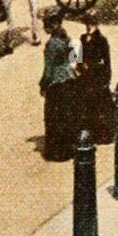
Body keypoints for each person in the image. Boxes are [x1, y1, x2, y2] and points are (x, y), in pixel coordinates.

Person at [40, 12, 79, 162]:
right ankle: (69, 147)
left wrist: (43, 84)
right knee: (67, 114)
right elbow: (74, 58)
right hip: (69, 80)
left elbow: (48, 69)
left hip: (56, 83)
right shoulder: (67, 39)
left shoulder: (52, 44)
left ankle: (57, 151)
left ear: (52, 26)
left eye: (46, 25)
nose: (44, 28)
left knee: (54, 117)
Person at [79, 13, 114, 144]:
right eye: (87, 24)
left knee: (100, 106)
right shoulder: (82, 38)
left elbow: (106, 61)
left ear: (96, 25)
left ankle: (102, 134)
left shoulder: (102, 40)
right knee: (87, 104)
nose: (88, 27)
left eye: (91, 24)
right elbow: (76, 56)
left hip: (97, 76)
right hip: (85, 77)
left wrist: (106, 77)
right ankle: (90, 132)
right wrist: (80, 64)